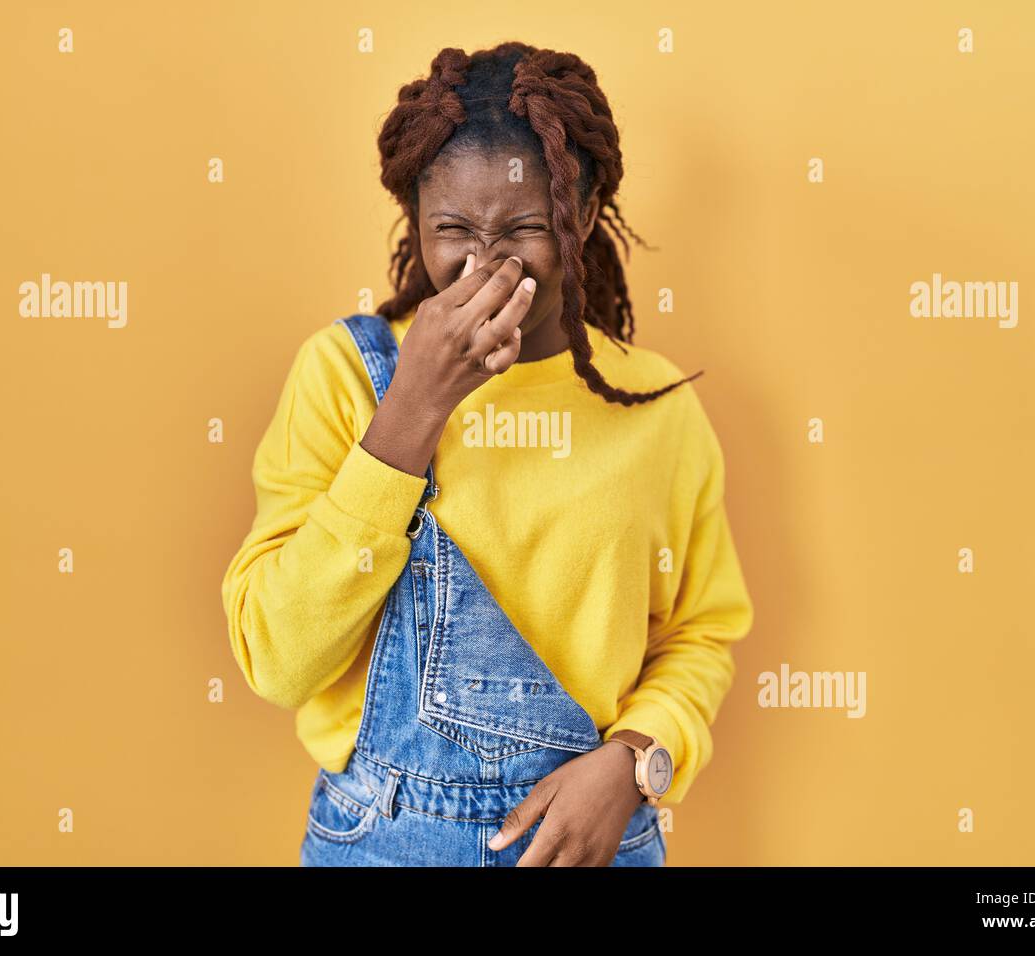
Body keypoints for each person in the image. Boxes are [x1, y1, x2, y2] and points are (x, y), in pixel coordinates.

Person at [220, 41, 754, 866]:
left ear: (581, 212)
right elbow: (277, 660)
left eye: (524, 228)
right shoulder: (345, 378)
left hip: (595, 843)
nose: (484, 264)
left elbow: (700, 632)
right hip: (383, 836)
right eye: (452, 230)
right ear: (414, 219)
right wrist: (411, 411)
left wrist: (634, 762)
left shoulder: (659, 408)